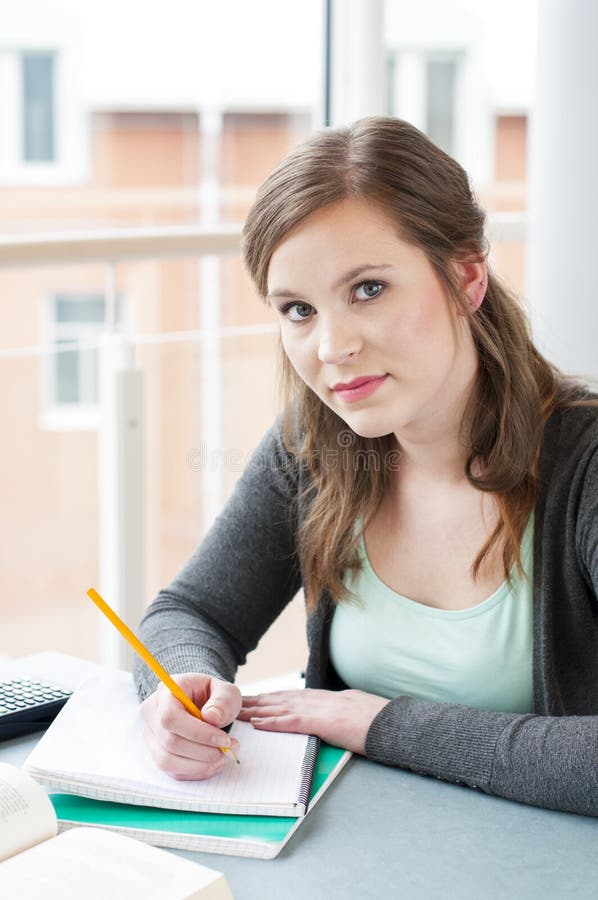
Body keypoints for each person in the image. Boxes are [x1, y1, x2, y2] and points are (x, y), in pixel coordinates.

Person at [133, 116, 598, 816]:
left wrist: (378, 724)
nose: (332, 347)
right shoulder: (315, 448)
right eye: (298, 309)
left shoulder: (585, 466)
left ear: (466, 277)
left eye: (369, 289)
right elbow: (191, 611)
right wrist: (183, 686)